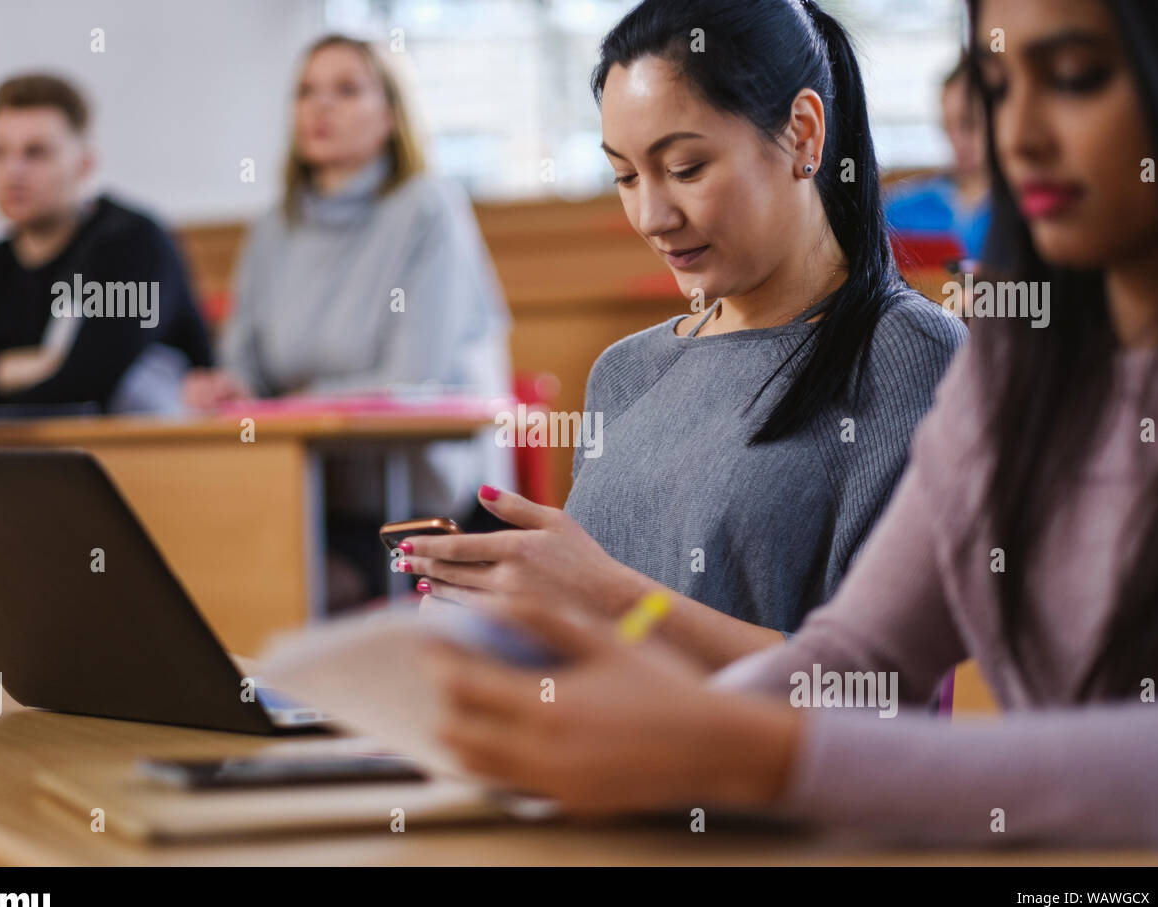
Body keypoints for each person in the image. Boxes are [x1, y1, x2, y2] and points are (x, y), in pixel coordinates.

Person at [422, 0, 1158, 851]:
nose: (1019, 135)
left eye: (1078, 77)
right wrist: (570, 734)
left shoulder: (917, 351)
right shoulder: (1016, 373)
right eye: (996, 87)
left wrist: (721, 731)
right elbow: (856, 657)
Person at [401, 0, 965, 670]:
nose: (652, 215)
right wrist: (516, 624)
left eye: (686, 168)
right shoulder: (626, 370)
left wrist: (609, 598)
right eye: (626, 176)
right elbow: (612, 653)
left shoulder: (908, 353)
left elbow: (872, 686)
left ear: (804, 134)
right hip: (602, 762)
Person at [182, 34, 514, 607]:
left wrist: (284, 403)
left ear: (389, 115)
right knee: (201, 571)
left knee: (276, 595)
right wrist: (229, 387)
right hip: (299, 492)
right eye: (307, 91)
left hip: (418, 507)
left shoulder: (427, 207)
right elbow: (244, 361)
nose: (320, 106)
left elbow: (413, 382)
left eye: (345, 89)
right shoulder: (272, 228)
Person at [0, 74, 213, 412]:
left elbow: (84, 387)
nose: (12, 171)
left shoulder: (132, 246)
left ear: (84, 164)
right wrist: (3, 370)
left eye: (36, 153)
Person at [885, 55, 993, 264]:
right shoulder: (902, 209)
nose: (956, 140)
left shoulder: (1027, 212)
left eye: (968, 123)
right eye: (948, 126)